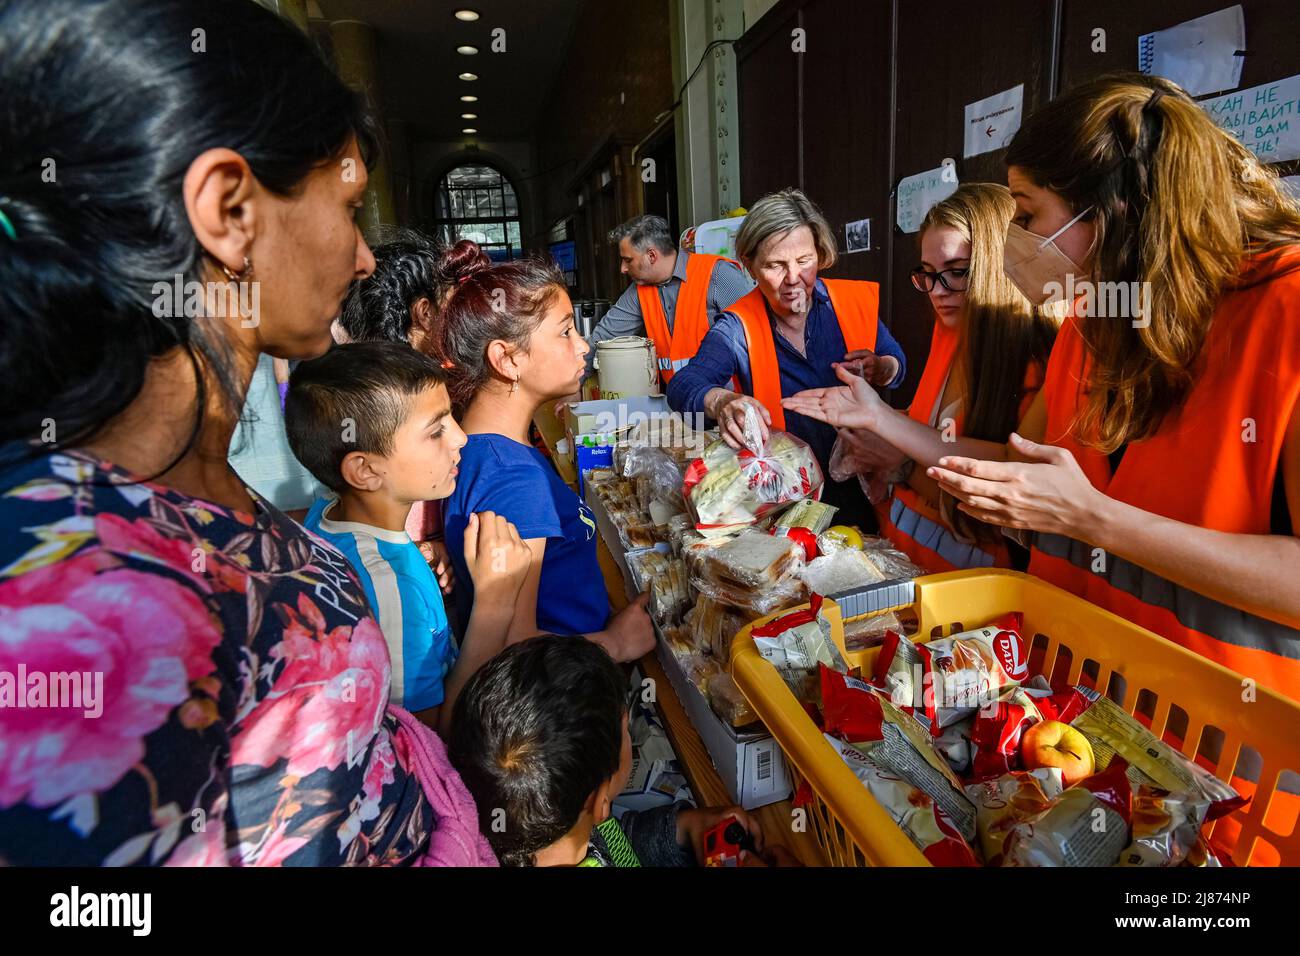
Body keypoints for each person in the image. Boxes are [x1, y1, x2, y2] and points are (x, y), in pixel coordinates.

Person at [0, 0, 492, 866]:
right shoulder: (73, 595)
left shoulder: (189, 480)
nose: (366, 257)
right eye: (348, 205)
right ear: (230, 210)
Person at [784, 74, 1300, 703]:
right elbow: (1020, 470)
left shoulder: (1285, 314)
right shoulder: (1094, 321)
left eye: (1027, 215)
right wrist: (883, 421)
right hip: (1070, 706)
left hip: (1229, 748)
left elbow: (1083, 509)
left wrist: (1097, 520)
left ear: (1118, 211)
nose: (1016, 244)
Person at [285, 342, 530, 735]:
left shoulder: (327, 515)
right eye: (436, 431)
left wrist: (414, 559)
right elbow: (429, 738)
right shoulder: (389, 588)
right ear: (365, 471)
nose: (460, 438)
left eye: (451, 417)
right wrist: (495, 602)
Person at [437, 255, 655, 661]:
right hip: (561, 698)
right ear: (507, 359)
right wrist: (616, 643)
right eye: (566, 331)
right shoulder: (514, 481)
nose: (583, 346)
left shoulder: (481, 450)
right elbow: (515, 647)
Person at [834, 184, 1058, 572]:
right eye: (927, 275)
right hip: (907, 565)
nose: (938, 292)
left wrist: (898, 456)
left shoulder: (1038, 363)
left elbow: (999, 513)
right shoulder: (949, 334)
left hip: (976, 597)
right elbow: (936, 432)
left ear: (997, 266)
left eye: (956, 272)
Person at [666, 188, 907, 524]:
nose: (793, 278)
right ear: (748, 265)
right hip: (786, 500)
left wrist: (881, 367)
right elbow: (683, 384)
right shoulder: (737, 328)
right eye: (776, 265)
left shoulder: (850, 302)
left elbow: (896, 361)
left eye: (804, 261)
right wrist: (721, 401)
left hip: (866, 487)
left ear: (820, 254)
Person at [448, 635, 789, 867]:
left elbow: (615, 846)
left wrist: (683, 830)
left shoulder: (531, 829)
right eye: (625, 732)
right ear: (598, 800)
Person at [338, 231, 476, 594]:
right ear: (425, 313)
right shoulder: (394, 402)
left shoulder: (419, 377)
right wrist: (419, 553)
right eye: (453, 307)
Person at [578, 214, 753, 387]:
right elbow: (603, 336)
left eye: (627, 260)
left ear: (652, 256)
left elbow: (755, 337)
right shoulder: (638, 291)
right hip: (681, 402)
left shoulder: (718, 274)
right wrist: (575, 382)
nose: (623, 269)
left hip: (730, 404)